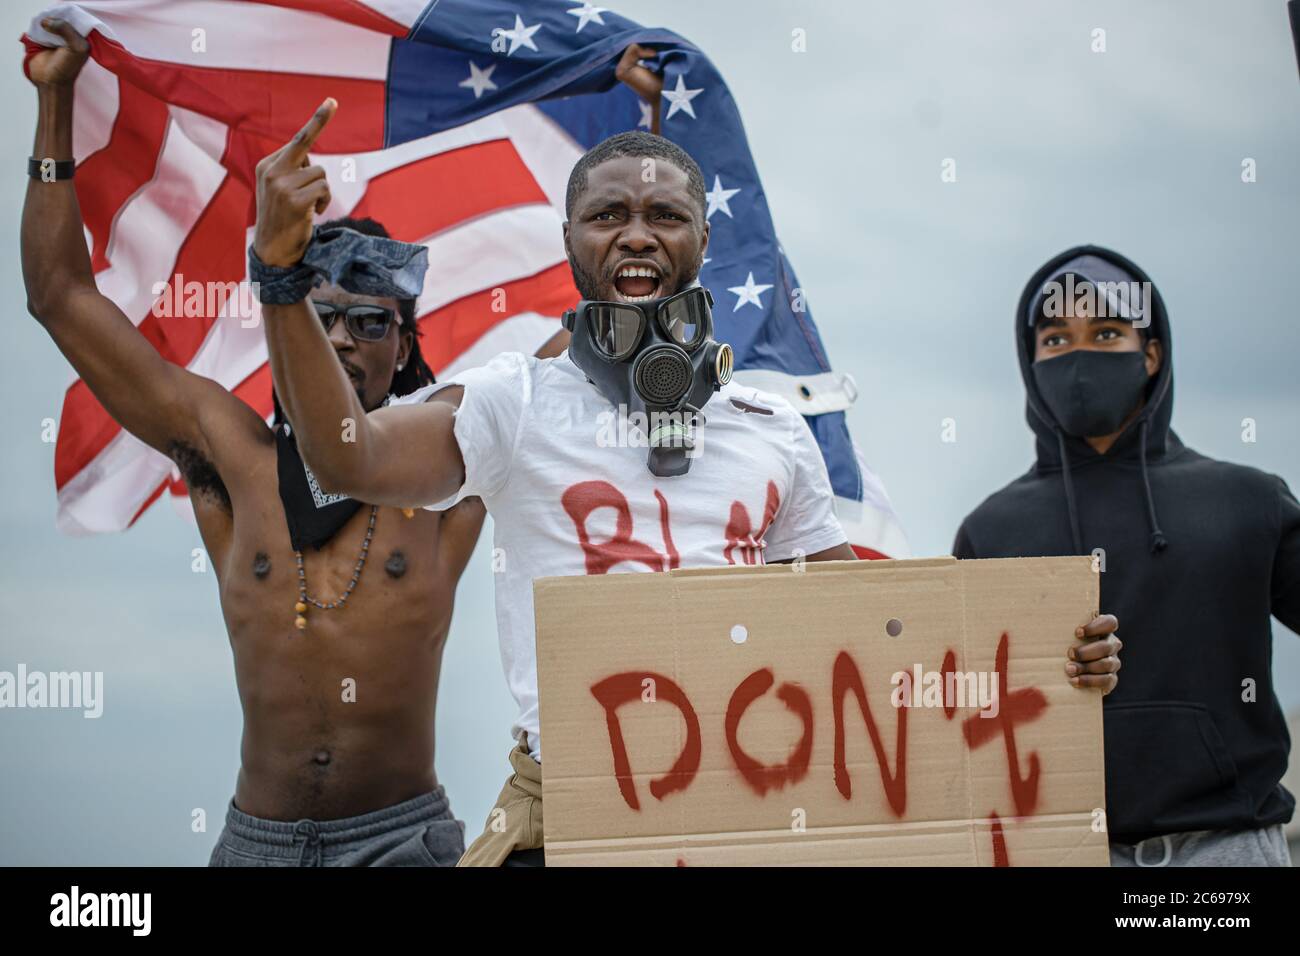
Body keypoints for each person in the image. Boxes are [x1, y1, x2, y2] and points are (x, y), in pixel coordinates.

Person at [255, 96, 1123, 866]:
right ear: (570, 242)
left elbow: (875, 634)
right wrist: (282, 276)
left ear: (704, 240)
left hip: (747, 818)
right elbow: (346, 458)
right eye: (608, 215)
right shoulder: (509, 402)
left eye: (666, 214)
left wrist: (1045, 662)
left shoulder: (773, 427)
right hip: (571, 824)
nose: (637, 233)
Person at [21, 18, 514, 867]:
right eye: (322, 319)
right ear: (285, 326)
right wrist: (56, 101)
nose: (347, 341)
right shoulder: (231, 454)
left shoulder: (456, 461)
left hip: (401, 843)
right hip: (258, 845)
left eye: (371, 322)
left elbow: (594, 337)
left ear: (404, 346)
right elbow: (59, 294)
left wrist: (655, 141)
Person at [954, 246, 1298, 867]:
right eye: (1055, 338)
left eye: (1107, 332)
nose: (1080, 356)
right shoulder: (992, 531)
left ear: (1152, 353)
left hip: (1228, 847)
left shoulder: (1249, 501)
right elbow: (963, 706)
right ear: (1031, 363)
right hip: (1062, 849)